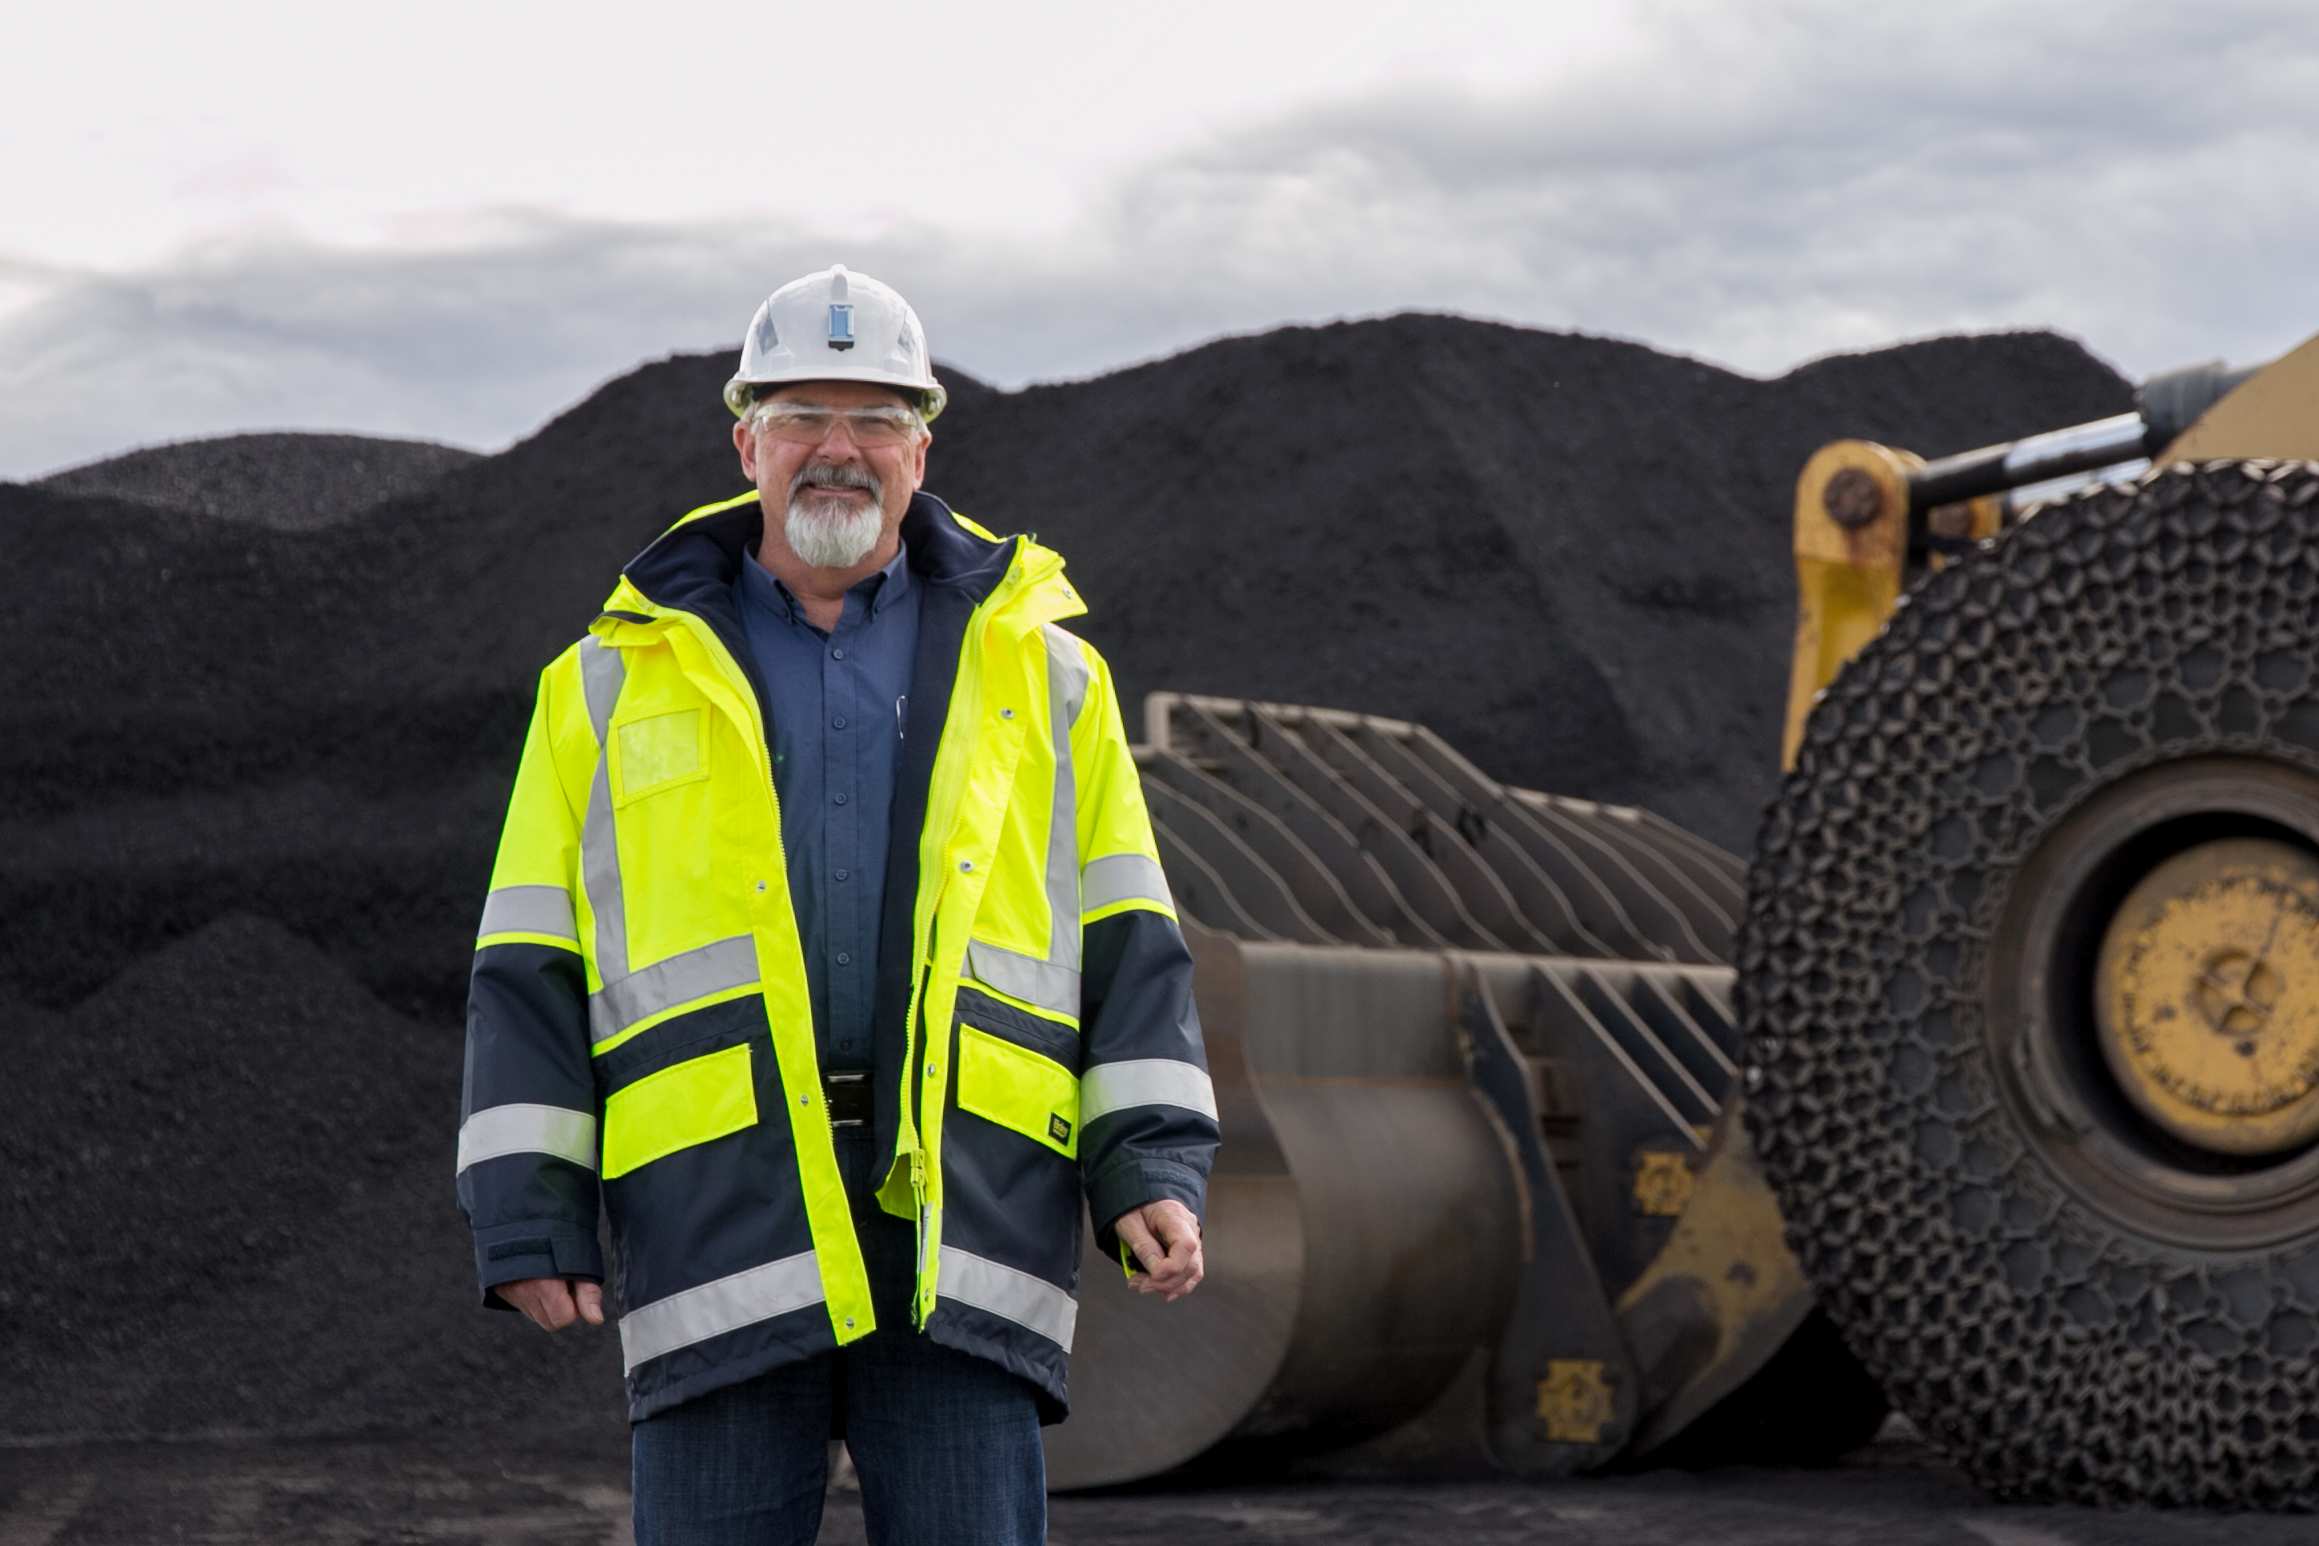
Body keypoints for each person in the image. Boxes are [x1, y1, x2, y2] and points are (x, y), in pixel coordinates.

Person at [453, 264, 1220, 1544]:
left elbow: (1130, 941)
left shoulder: (1050, 676)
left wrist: (1148, 1162)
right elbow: (529, 956)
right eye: (804, 415)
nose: (838, 451)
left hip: (959, 1214)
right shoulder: (602, 685)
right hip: (720, 1217)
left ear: (923, 446)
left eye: (874, 419)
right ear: (744, 438)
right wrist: (530, 1206)